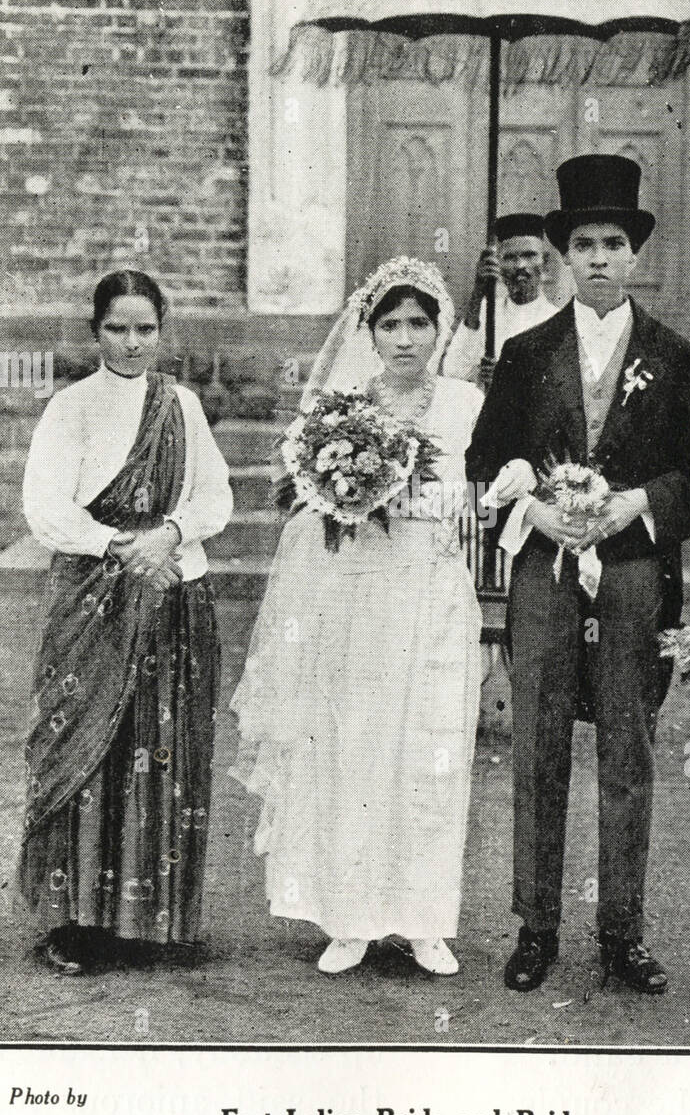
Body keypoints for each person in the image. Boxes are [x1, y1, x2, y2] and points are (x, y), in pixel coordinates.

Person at [466, 154, 690, 995]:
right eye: (584, 243)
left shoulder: (676, 358)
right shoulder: (527, 350)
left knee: (627, 747)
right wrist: (532, 508)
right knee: (538, 746)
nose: (600, 258)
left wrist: (635, 503)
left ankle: (622, 933)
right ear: (563, 256)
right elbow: (485, 456)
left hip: (633, 571)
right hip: (543, 569)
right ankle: (537, 927)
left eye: (615, 242)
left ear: (636, 254)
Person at [230, 257, 484, 977]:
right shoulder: (341, 408)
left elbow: (481, 491)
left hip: (432, 592)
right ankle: (349, 917)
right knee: (352, 749)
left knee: (429, 752)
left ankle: (425, 919)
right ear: (368, 332)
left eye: (419, 323)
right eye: (390, 324)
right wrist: (351, 495)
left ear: (439, 329)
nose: (406, 338)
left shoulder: (464, 404)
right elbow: (311, 510)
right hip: (356, 594)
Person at [19, 269, 234, 975]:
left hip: (174, 593)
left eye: (146, 328)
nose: (133, 342)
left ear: (162, 330)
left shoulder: (184, 407)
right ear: (95, 331)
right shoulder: (71, 408)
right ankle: (73, 922)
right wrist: (119, 545)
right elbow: (45, 507)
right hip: (92, 598)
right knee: (86, 754)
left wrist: (167, 535)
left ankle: (152, 919)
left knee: (162, 747)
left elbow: (216, 498)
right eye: (118, 328)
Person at [440, 213, 559, 382]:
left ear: (545, 263)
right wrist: (478, 291)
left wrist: (509, 378)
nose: (520, 266)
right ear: (498, 265)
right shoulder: (487, 311)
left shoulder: (558, 320)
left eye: (529, 255)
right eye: (510, 258)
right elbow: (453, 370)